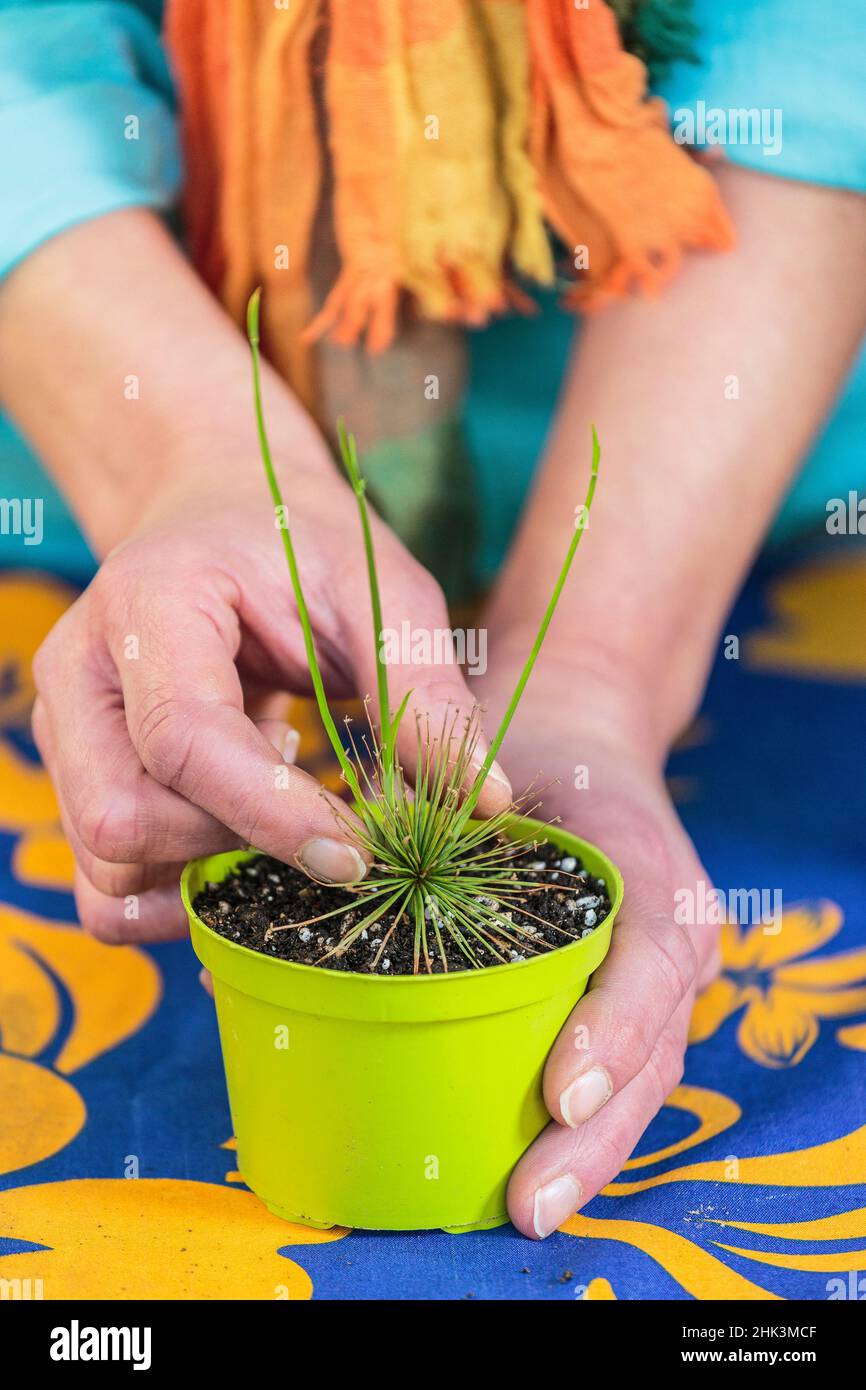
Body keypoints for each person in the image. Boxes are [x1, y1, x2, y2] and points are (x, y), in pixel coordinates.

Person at [0, 0, 864, 1241]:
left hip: (698, 460)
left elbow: (816, 54)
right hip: (108, 423)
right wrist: (193, 464)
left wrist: (592, 676)